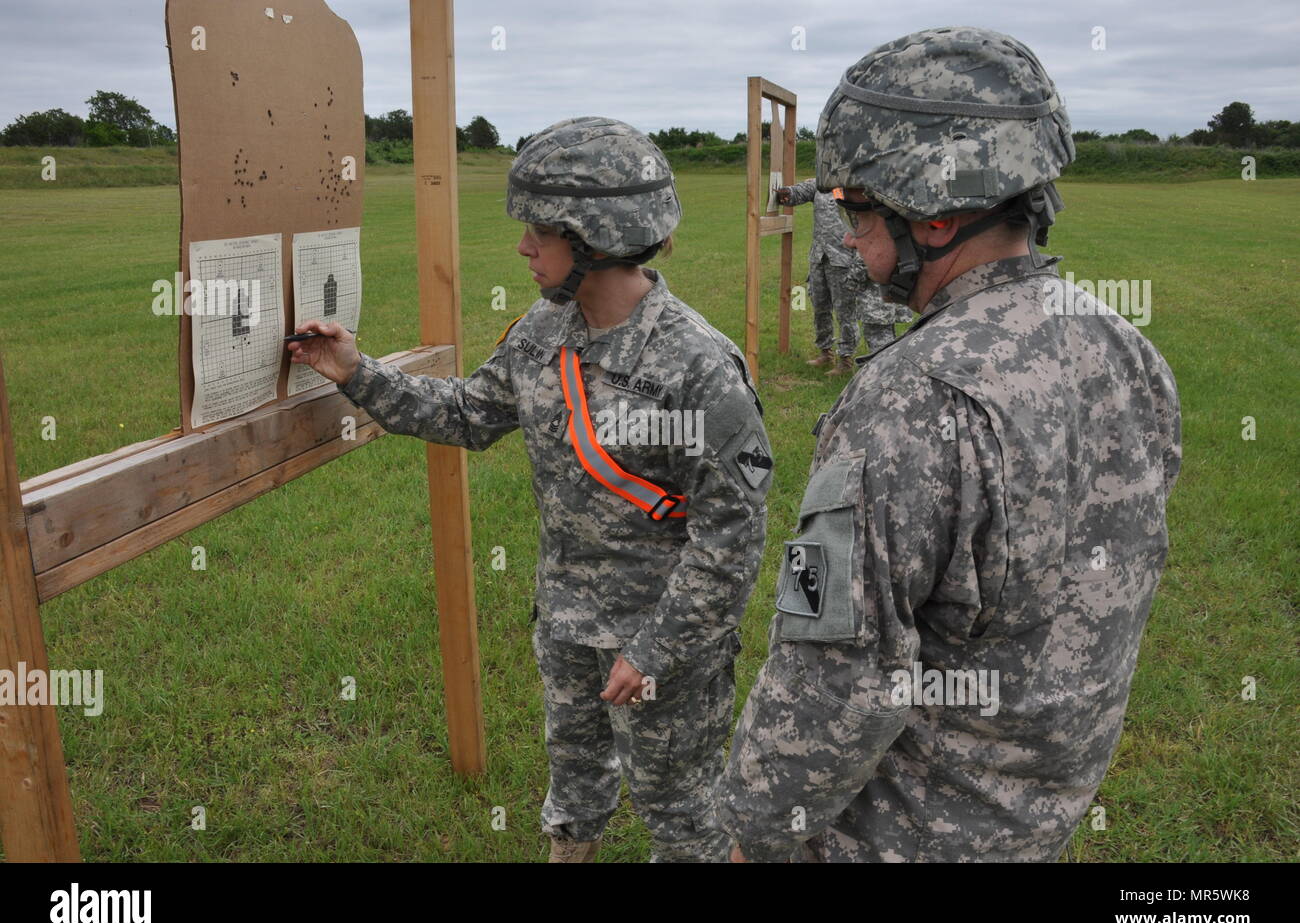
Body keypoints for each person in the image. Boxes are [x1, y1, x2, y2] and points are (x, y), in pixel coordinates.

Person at [715, 27, 1181, 862]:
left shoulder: (911, 397)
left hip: (900, 832)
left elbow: (830, 681)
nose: (852, 241)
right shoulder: (1125, 349)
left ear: (932, 213)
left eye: (859, 212)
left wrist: (749, 835)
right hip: (1039, 817)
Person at [289, 117, 771, 863]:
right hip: (567, 630)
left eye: (540, 231)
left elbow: (730, 539)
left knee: (684, 820)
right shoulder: (541, 336)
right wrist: (358, 372)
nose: (523, 247)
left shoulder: (697, 367)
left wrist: (653, 651)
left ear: (597, 238)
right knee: (574, 796)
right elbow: (467, 414)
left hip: (664, 652)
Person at [776, 177, 910, 376]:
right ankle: (825, 352)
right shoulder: (819, 185)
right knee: (819, 307)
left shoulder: (853, 189)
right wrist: (784, 193)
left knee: (844, 312)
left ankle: (845, 358)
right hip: (819, 257)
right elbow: (797, 193)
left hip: (843, 259)